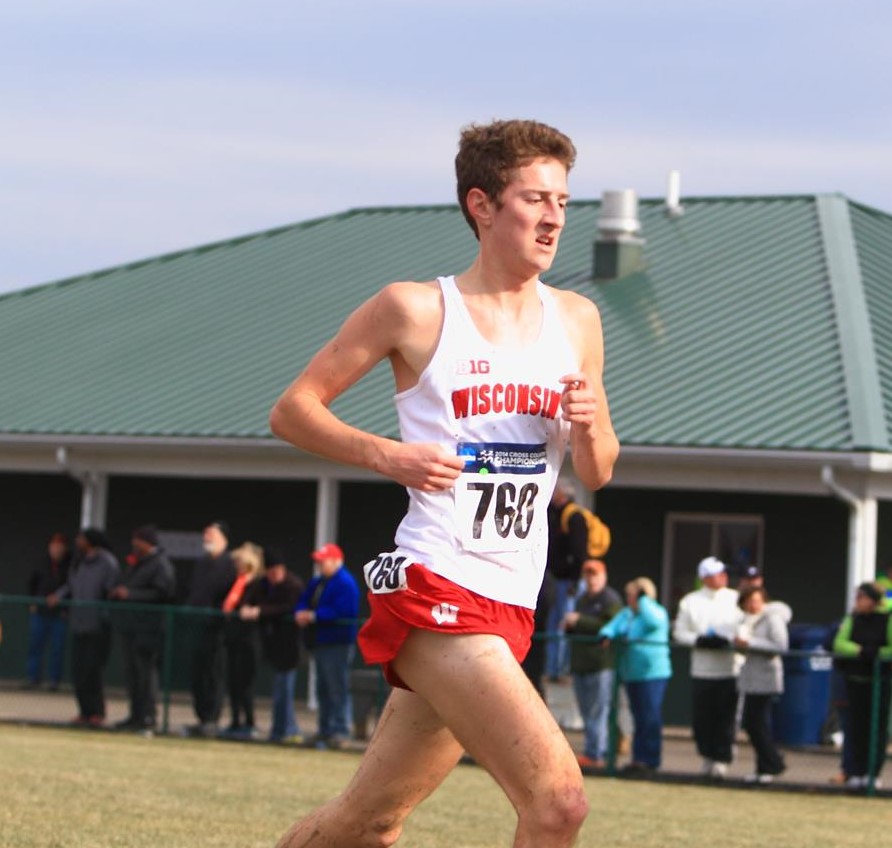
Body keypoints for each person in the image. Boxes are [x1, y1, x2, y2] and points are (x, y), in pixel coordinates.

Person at [269, 118, 619, 848]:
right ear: (481, 205)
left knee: (368, 823)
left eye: (563, 200)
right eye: (535, 198)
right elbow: (294, 410)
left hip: (512, 597)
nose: (554, 217)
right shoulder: (416, 308)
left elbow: (598, 469)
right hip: (435, 585)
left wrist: (589, 426)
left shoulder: (578, 319)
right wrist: (388, 456)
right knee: (558, 803)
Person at [672, 556, 741, 779]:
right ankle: (708, 756)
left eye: (723, 573)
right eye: (716, 574)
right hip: (702, 670)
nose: (722, 577)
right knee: (703, 720)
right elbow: (680, 632)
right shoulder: (690, 601)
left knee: (725, 719)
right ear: (704, 578)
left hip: (729, 669)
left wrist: (727, 640)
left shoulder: (735, 598)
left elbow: (744, 627)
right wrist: (700, 640)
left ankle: (722, 758)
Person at [599, 577, 671, 775]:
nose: (630, 599)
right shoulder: (627, 614)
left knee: (650, 716)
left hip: (652, 673)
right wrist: (606, 635)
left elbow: (652, 622)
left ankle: (650, 760)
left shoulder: (656, 612)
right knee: (639, 718)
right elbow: (612, 627)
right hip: (631, 673)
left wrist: (644, 600)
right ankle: (639, 759)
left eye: (634, 596)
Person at [47, 528, 119, 726]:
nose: (78, 541)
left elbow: (110, 589)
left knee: (92, 670)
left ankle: (97, 712)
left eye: (82, 538)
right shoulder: (78, 561)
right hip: (78, 623)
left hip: (98, 625)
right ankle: (84, 711)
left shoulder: (107, 562)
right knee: (78, 670)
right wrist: (58, 596)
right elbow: (71, 585)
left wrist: (105, 610)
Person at [109, 524, 176, 732]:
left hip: (149, 627)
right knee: (132, 674)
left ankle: (148, 715)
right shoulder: (137, 563)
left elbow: (164, 593)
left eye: (137, 540)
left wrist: (131, 595)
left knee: (146, 672)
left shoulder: (160, 564)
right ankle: (135, 714)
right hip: (131, 625)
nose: (134, 544)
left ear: (147, 542)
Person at [294, 542, 361, 749]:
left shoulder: (345, 582)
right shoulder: (319, 581)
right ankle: (324, 730)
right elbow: (304, 600)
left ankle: (340, 730)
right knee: (322, 688)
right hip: (320, 641)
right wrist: (301, 612)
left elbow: (344, 611)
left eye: (323, 562)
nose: (320, 565)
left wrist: (313, 616)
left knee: (336, 687)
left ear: (335, 561)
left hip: (338, 642)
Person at [545, 479, 609, 680]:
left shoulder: (574, 517)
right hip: (558, 580)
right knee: (554, 625)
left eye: (555, 491)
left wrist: (574, 581)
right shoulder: (557, 514)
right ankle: (553, 669)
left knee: (565, 625)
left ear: (563, 494)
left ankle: (562, 670)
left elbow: (579, 553)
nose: (552, 495)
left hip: (569, 582)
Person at [240, 547, 305, 744]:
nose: (274, 575)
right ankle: (280, 730)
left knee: (285, 690)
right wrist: (247, 607)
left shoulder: (293, 585)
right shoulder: (262, 584)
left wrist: (260, 611)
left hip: (290, 645)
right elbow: (248, 600)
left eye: (277, 571)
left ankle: (287, 729)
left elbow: (287, 607)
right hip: (273, 645)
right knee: (279, 690)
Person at [561, 559, 622, 768]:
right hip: (581, 664)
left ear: (604, 576)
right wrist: (569, 625)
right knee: (587, 712)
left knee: (598, 711)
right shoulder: (582, 599)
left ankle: (597, 754)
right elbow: (578, 628)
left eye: (595, 574)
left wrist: (579, 621)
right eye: (588, 575)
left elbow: (611, 626)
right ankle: (593, 751)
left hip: (601, 664)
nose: (591, 579)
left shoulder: (610, 599)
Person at [832, 581, 892, 788]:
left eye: (862, 597)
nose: (858, 601)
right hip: (855, 680)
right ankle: (857, 771)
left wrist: (876, 653)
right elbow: (839, 643)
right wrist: (861, 650)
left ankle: (873, 773)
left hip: (880, 682)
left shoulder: (888, 618)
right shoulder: (854, 617)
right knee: (856, 728)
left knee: (877, 729)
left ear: (873, 600)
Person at [184, 520, 237, 737]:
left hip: (217, 630)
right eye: (205, 534)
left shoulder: (230, 564)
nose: (206, 538)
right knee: (197, 673)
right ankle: (201, 717)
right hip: (198, 626)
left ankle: (212, 719)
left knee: (214, 673)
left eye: (211, 534)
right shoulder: (201, 563)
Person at [733, 585, 790, 784]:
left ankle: (773, 763)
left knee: (757, 724)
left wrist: (751, 643)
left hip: (767, 678)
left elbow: (781, 646)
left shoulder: (772, 619)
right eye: (749, 601)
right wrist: (739, 645)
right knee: (753, 724)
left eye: (757, 600)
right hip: (750, 679)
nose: (753, 605)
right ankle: (764, 767)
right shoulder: (744, 621)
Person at [220, 541, 265, 739]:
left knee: (246, 682)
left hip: (249, 640)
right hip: (233, 638)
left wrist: (252, 611)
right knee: (233, 681)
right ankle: (235, 720)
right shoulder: (235, 583)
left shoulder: (257, 585)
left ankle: (249, 722)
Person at [23, 532, 72, 690]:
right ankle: (33, 679)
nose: (56, 549)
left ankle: (54, 681)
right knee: (35, 646)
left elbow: (73, 587)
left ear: (64, 548)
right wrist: (31, 603)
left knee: (57, 648)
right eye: (54, 546)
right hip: (40, 612)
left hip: (60, 613)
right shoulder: (41, 562)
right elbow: (31, 583)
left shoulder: (71, 564)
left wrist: (65, 606)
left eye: (59, 546)